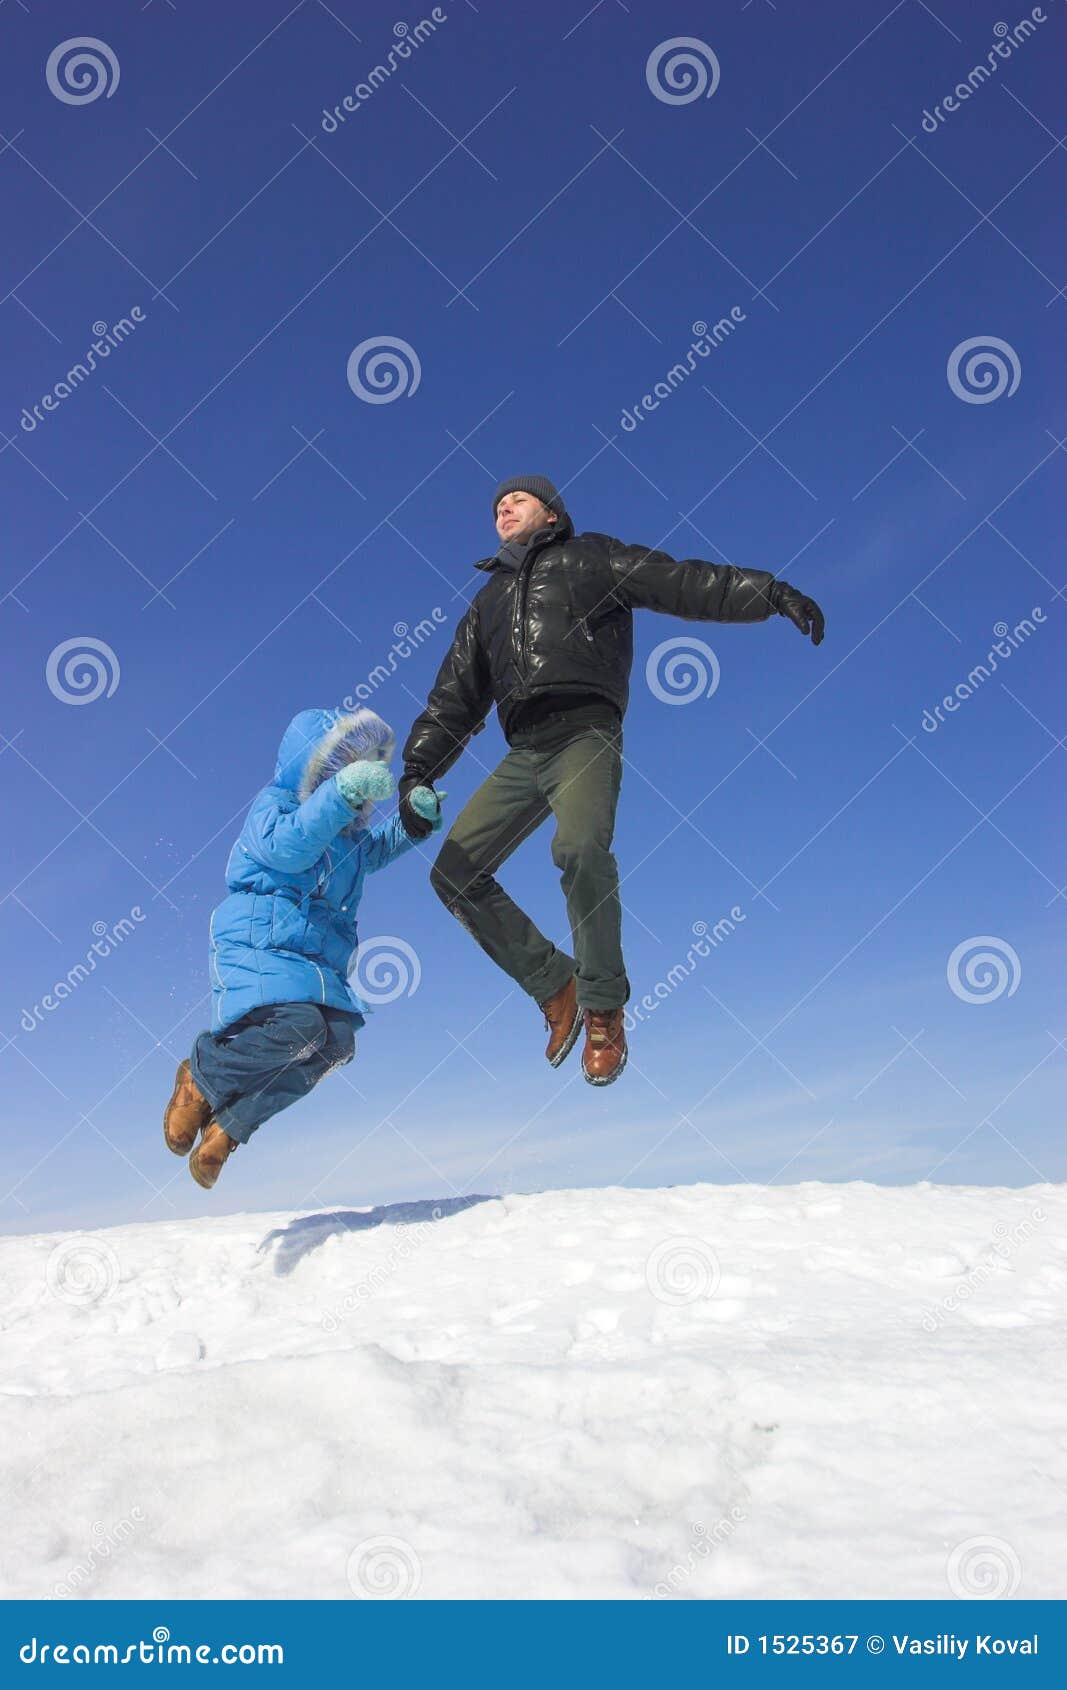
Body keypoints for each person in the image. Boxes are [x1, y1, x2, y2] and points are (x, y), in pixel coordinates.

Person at [399, 475, 825, 1087]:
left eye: (517, 498)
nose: (503, 506)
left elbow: (681, 581)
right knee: (453, 873)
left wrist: (770, 593)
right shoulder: (487, 603)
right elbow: (453, 699)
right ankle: (557, 984)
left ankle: (603, 1008)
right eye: (496, 503)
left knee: (577, 848)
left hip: (584, 734)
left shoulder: (590, 558)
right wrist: (418, 771)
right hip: (525, 750)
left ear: (551, 514)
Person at [162, 706, 443, 1188]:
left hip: (310, 963)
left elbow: (374, 851)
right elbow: (291, 846)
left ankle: (230, 1127)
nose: (348, 782)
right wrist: (339, 794)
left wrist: (413, 822)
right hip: (261, 943)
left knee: (335, 1042)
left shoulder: (347, 836)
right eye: (339, 768)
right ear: (313, 767)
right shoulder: (275, 807)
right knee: (302, 1026)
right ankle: (202, 1073)